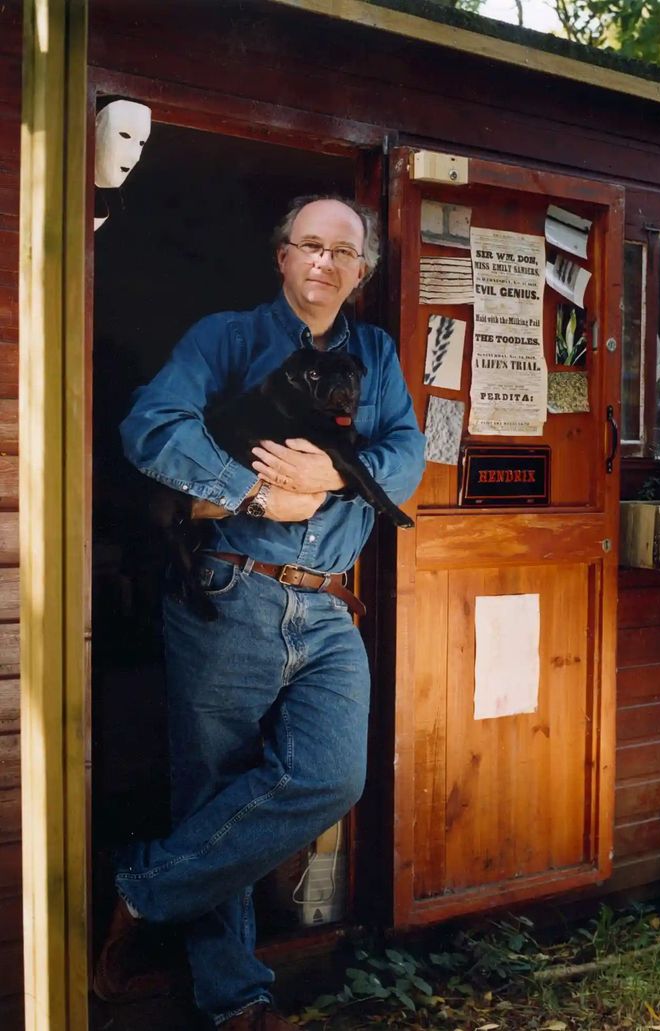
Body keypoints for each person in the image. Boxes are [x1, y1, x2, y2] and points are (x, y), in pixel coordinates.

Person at [94, 195, 425, 1029]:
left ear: (361, 272)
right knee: (214, 788)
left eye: (342, 252)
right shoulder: (226, 339)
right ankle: (236, 999)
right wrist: (251, 491)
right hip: (230, 589)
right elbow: (150, 426)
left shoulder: (376, 355)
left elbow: (407, 453)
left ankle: (144, 887)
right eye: (310, 245)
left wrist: (332, 473)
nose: (324, 262)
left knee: (332, 775)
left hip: (329, 605)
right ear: (282, 256)